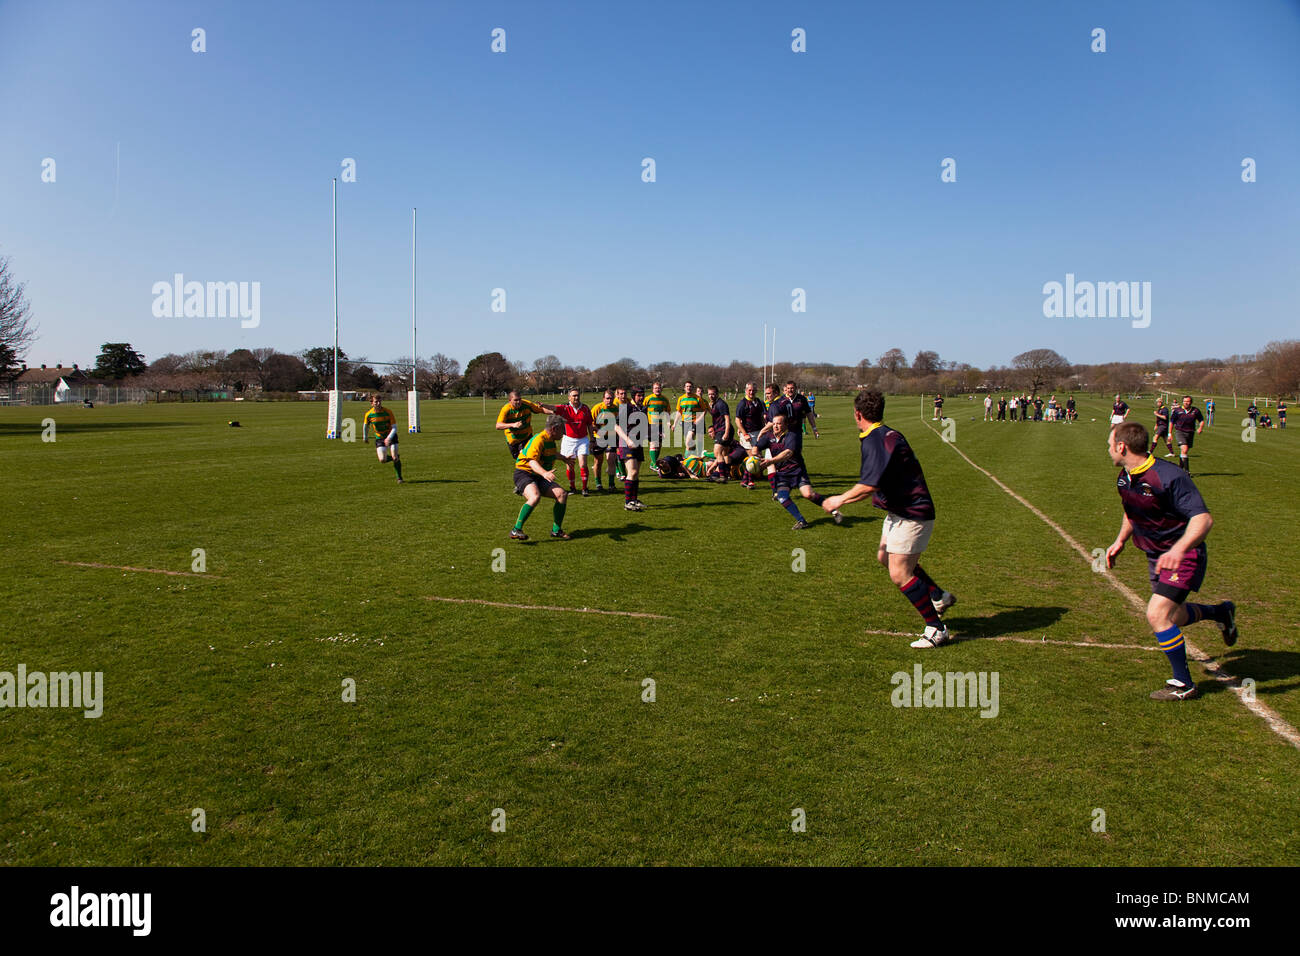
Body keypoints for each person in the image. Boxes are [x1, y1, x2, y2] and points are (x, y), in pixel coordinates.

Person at [1104, 422, 1237, 700]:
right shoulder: (1124, 477)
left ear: (1121, 446)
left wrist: (1179, 549)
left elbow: (1203, 519)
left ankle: (1183, 684)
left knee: (1157, 615)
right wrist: (1120, 540)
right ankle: (1220, 613)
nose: (1108, 450)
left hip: (1184, 556)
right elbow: (1131, 510)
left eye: (1109, 445)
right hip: (1157, 556)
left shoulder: (1169, 476)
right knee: (1174, 616)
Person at [821, 390, 956, 648]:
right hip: (901, 511)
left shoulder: (875, 440)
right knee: (884, 557)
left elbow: (869, 485)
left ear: (857, 414)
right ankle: (938, 596)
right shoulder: (888, 433)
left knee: (899, 573)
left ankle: (936, 629)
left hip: (912, 513)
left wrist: (838, 499)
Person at [757, 414, 840, 529]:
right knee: (782, 497)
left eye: (779, 423)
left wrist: (771, 461)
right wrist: (756, 457)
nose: (775, 426)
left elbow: (788, 453)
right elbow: (756, 447)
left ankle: (834, 510)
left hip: (797, 471)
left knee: (808, 494)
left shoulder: (791, 436)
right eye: (774, 423)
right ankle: (802, 521)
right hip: (783, 474)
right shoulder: (769, 437)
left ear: (785, 425)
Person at [510, 415, 571, 541]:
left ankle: (556, 530)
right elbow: (532, 462)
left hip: (539, 475)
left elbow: (552, 453)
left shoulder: (550, 440)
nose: (564, 432)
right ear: (554, 429)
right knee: (535, 496)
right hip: (524, 473)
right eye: (562, 429)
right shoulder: (539, 439)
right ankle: (516, 529)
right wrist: (545, 473)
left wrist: (564, 458)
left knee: (562, 494)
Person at [554, 387, 594, 496]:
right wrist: (543, 406)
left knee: (583, 465)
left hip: (582, 440)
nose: (576, 397)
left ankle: (585, 488)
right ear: (569, 397)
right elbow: (553, 408)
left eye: (577, 395)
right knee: (570, 466)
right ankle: (572, 488)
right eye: (574, 395)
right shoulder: (565, 408)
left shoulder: (585, 408)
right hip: (568, 440)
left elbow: (590, 424)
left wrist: (592, 439)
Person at [495, 390, 557, 461]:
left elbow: (541, 409)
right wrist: (513, 425)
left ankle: (540, 470)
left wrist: (554, 412)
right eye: (515, 400)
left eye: (520, 399)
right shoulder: (506, 409)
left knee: (528, 458)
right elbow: (498, 425)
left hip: (526, 437)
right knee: (520, 461)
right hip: (513, 440)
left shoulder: (526, 404)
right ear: (510, 401)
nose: (518, 402)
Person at [615, 387, 648, 510]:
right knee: (632, 472)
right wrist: (627, 440)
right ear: (633, 396)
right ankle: (627, 502)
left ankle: (634, 500)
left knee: (636, 473)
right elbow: (617, 426)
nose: (641, 397)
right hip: (626, 443)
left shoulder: (643, 409)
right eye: (639, 395)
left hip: (638, 443)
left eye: (642, 395)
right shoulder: (627, 407)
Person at [363, 394, 404, 483]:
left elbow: (394, 427)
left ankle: (399, 478)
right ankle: (395, 458)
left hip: (391, 436)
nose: (378, 403)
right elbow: (365, 426)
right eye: (376, 402)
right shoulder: (369, 415)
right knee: (382, 460)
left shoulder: (388, 412)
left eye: (380, 401)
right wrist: (365, 437)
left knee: (394, 456)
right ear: (371, 403)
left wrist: (389, 438)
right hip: (380, 438)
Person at [590, 388, 619, 493]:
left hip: (611, 437)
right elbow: (591, 423)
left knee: (611, 460)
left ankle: (611, 484)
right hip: (599, 438)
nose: (609, 401)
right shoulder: (597, 408)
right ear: (603, 398)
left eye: (611, 398)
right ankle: (598, 484)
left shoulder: (616, 409)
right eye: (607, 398)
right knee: (598, 461)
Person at [1169, 395, 1205, 473]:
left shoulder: (1195, 411)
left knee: (1184, 452)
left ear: (1191, 402)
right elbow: (1171, 422)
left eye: (1188, 401)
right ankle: (1187, 472)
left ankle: (1180, 469)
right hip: (1180, 431)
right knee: (1184, 449)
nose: (1186, 403)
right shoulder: (1177, 411)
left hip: (1190, 433)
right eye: (1185, 401)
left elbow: (1201, 420)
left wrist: (1200, 428)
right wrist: (1169, 433)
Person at [674, 381, 708, 457]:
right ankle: (695, 455)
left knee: (688, 441)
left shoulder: (697, 398)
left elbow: (704, 410)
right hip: (685, 422)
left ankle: (686, 459)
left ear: (692, 388)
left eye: (690, 386)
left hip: (694, 423)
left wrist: (698, 420)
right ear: (684, 388)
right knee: (688, 444)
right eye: (687, 386)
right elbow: (679, 412)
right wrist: (674, 424)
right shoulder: (681, 398)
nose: (688, 388)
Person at [643, 381, 672, 468]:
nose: (657, 390)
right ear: (653, 389)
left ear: (661, 389)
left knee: (659, 445)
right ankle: (655, 463)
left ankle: (652, 463)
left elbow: (667, 411)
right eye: (655, 388)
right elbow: (642, 409)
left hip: (660, 425)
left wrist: (668, 422)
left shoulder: (665, 399)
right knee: (653, 443)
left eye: (659, 388)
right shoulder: (648, 399)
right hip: (651, 424)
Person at [706, 385, 733, 478]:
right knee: (725, 453)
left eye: (713, 394)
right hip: (721, 429)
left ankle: (722, 476)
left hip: (723, 429)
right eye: (709, 394)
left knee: (717, 452)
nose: (711, 396)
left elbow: (727, 418)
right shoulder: (714, 404)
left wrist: (726, 432)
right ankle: (727, 473)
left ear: (717, 394)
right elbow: (716, 415)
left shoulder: (721, 404)